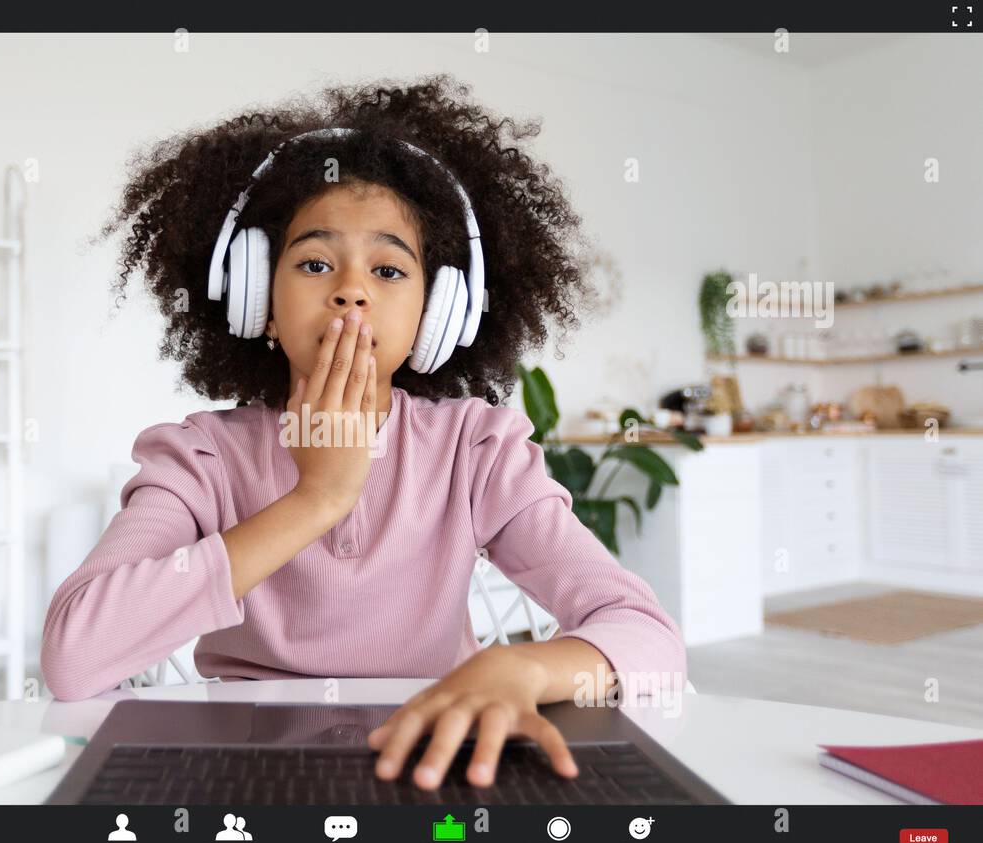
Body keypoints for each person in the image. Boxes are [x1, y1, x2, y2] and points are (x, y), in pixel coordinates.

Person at [43, 74, 685, 791]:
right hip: (251, 770)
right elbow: (74, 658)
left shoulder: (476, 451)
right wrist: (315, 499)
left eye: (387, 268)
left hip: (431, 759)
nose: (351, 290)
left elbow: (651, 642)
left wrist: (520, 666)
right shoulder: (200, 457)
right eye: (315, 263)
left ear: (437, 316)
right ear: (259, 299)